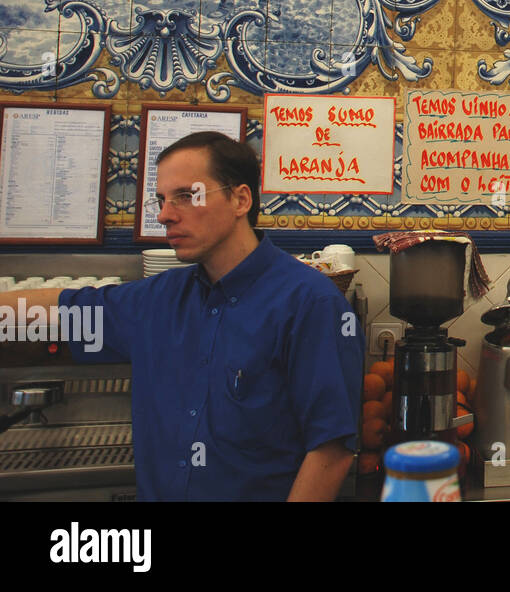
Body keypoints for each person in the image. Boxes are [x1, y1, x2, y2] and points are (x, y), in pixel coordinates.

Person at [0, 132, 363, 501]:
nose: (163, 214)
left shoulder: (310, 303)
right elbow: (59, 308)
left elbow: (331, 449)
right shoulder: (155, 300)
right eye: (161, 200)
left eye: (187, 196)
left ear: (240, 199)